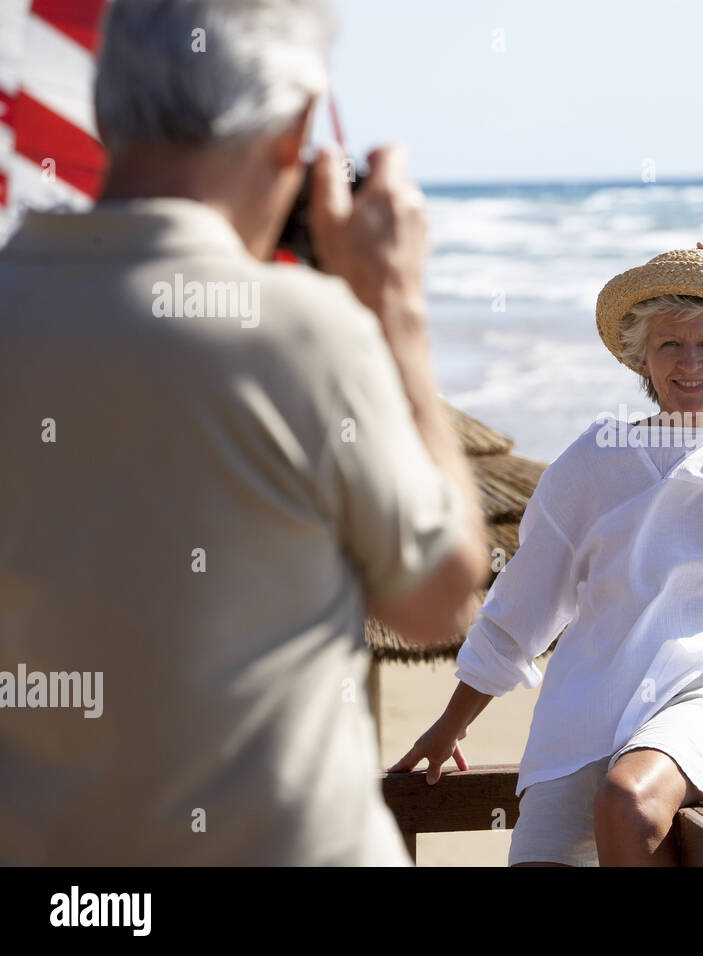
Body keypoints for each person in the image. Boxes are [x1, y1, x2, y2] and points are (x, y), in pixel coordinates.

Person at [0, 0, 489, 864]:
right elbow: (439, 597)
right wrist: (395, 313)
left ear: (107, 107)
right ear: (298, 127)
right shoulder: (296, 333)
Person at [391, 242, 703, 866]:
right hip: (584, 720)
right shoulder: (592, 460)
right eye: (670, 345)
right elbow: (522, 606)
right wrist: (452, 723)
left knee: (627, 802)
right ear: (643, 359)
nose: (690, 363)